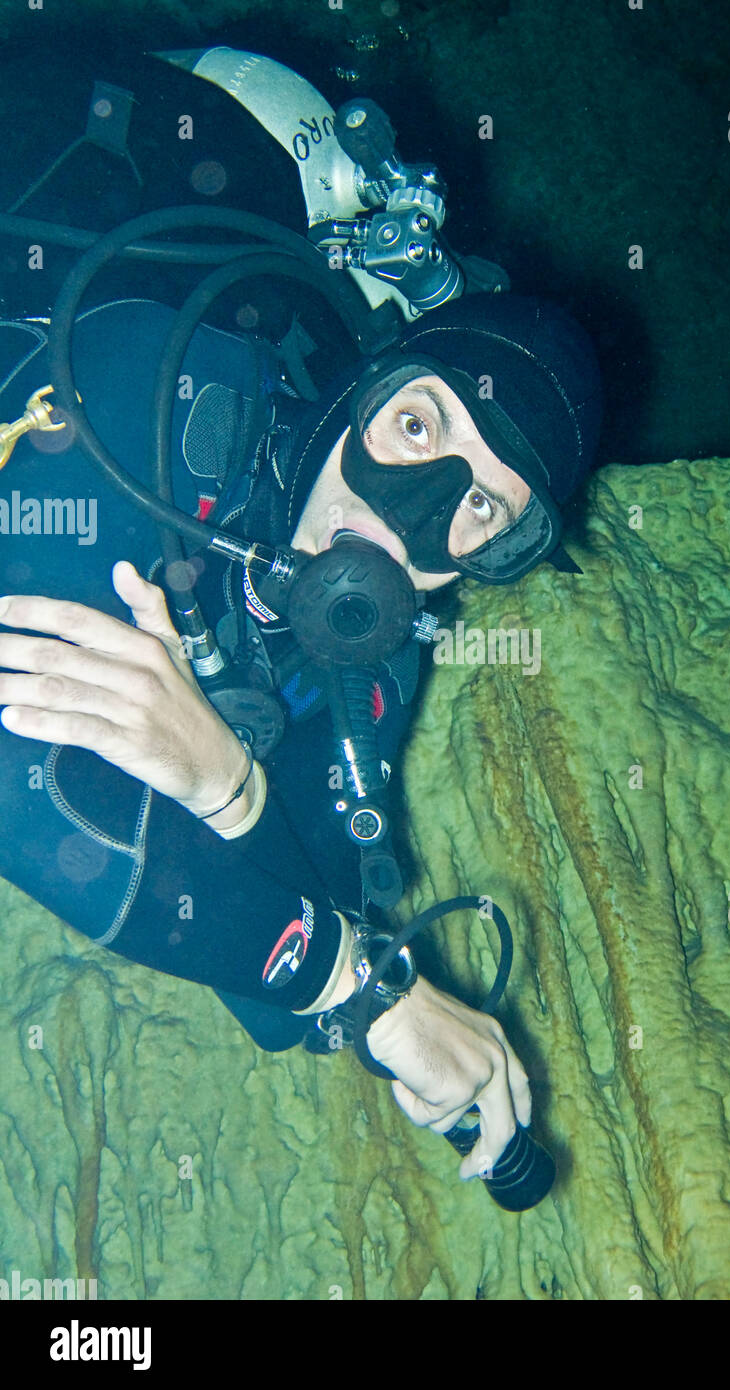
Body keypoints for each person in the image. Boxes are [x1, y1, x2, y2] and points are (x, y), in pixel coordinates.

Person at [0, 286, 602, 1179]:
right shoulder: (158, 391)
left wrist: (226, 791)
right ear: (365, 390)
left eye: (480, 509)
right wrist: (372, 995)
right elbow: (23, 779)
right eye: (416, 427)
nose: (412, 514)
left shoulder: (369, 667)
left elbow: (280, 996)